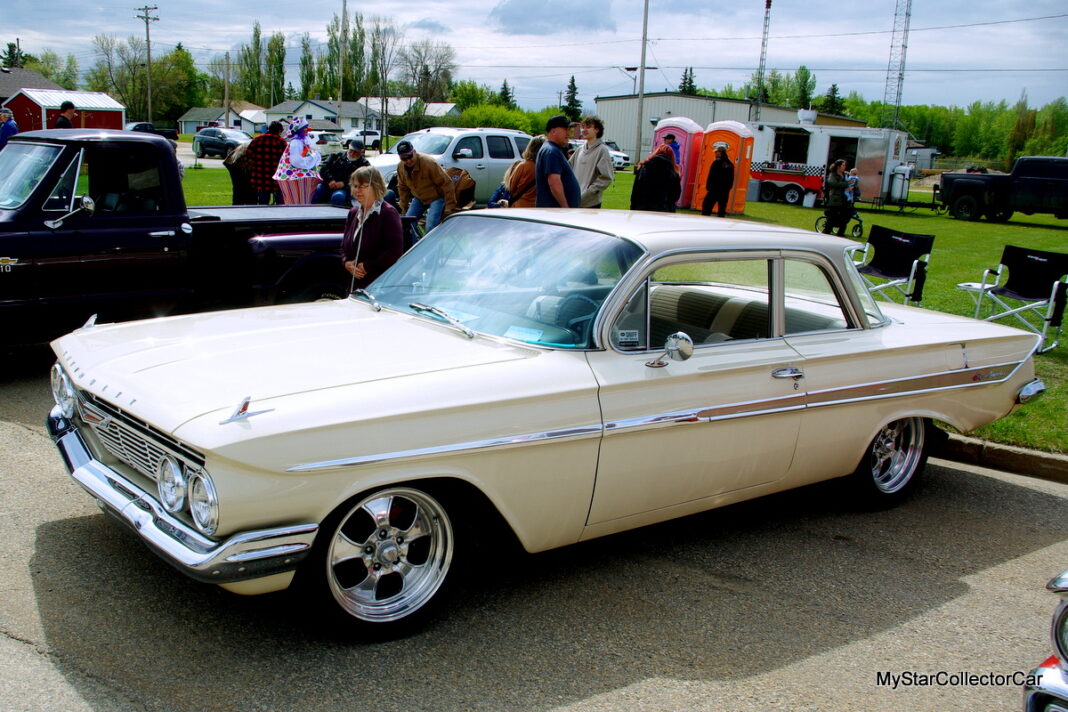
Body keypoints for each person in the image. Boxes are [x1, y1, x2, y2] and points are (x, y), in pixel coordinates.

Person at [339, 165, 404, 293]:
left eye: (363, 186)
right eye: (355, 186)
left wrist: (368, 266)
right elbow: (343, 247)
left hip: (377, 288)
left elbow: (395, 251)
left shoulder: (388, 213)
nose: (358, 190)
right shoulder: (353, 212)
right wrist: (346, 263)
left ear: (376, 186)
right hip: (352, 287)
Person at [394, 139, 455, 232]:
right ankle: (415, 245)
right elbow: (403, 188)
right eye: (404, 159)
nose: (408, 160)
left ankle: (430, 245)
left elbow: (447, 183)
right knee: (407, 224)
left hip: (436, 198)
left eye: (410, 156)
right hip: (419, 198)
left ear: (414, 152)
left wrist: (449, 208)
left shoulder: (429, 163)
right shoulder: (400, 167)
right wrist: (404, 208)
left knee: (430, 227)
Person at [568, 115, 615, 208]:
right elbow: (568, 168)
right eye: (583, 127)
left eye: (588, 127)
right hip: (575, 200)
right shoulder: (579, 149)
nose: (584, 130)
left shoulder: (602, 150)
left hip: (591, 204)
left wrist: (589, 192)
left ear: (597, 129)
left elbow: (606, 178)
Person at [535, 115, 580, 208]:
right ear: (553, 131)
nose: (568, 133)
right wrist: (565, 208)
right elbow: (554, 183)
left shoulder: (553, 149)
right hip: (555, 213)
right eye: (565, 129)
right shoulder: (551, 151)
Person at [274, 117, 322, 204]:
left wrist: (314, 157)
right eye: (305, 127)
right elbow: (297, 161)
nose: (307, 129)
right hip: (295, 178)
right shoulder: (296, 143)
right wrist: (314, 157)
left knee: (302, 201)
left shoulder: (303, 141)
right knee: (297, 202)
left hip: (300, 177)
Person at [313, 139, 370, 207]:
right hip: (328, 184)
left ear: (361, 152)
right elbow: (323, 169)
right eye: (351, 151)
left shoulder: (364, 164)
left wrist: (344, 184)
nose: (352, 154)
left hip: (346, 190)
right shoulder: (336, 156)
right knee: (316, 190)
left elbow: (362, 181)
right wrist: (330, 180)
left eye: (356, 152)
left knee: (338, 196)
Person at [630, 144, 681, 213]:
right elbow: (675, 196)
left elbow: (635, 192)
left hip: (642, 208)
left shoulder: (644, 167)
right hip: (664, 209)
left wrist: (633, 208)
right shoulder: (673, 171)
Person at [245, 121, 287, 205]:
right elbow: (286, 159)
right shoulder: (281, 142)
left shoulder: (257, 139)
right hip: (276, 178)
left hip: (260, 177)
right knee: (280, 202)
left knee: (263, 202)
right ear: (280, 130)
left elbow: (248, 154)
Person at [505, 135, 544, 208]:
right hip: (537, 207)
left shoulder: (523, 166)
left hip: (520, 206)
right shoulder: (544, 168)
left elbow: (511, 187)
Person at [701, 144, 735, 218]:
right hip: (725, 191)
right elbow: (731, 179)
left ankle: (704, 220)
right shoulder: (730, 164)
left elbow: (711, 176)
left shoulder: (716, 162)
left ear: (720, 152)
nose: (715, 154)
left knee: (706, 206)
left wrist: (708, 186)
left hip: (714, 189)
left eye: (716, 152)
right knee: (722, 209)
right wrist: (728, 188)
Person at [821, 159, 850, 236]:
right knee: (832, 218)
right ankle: (826, 232)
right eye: (843, 165)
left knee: (844, 217)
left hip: (844, 200)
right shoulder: (833, 175)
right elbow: (834, 183)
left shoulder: (845, 174)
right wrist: (846, 184)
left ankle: (841, 233)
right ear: (838, 166)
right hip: (835, 199)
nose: (845, 167)